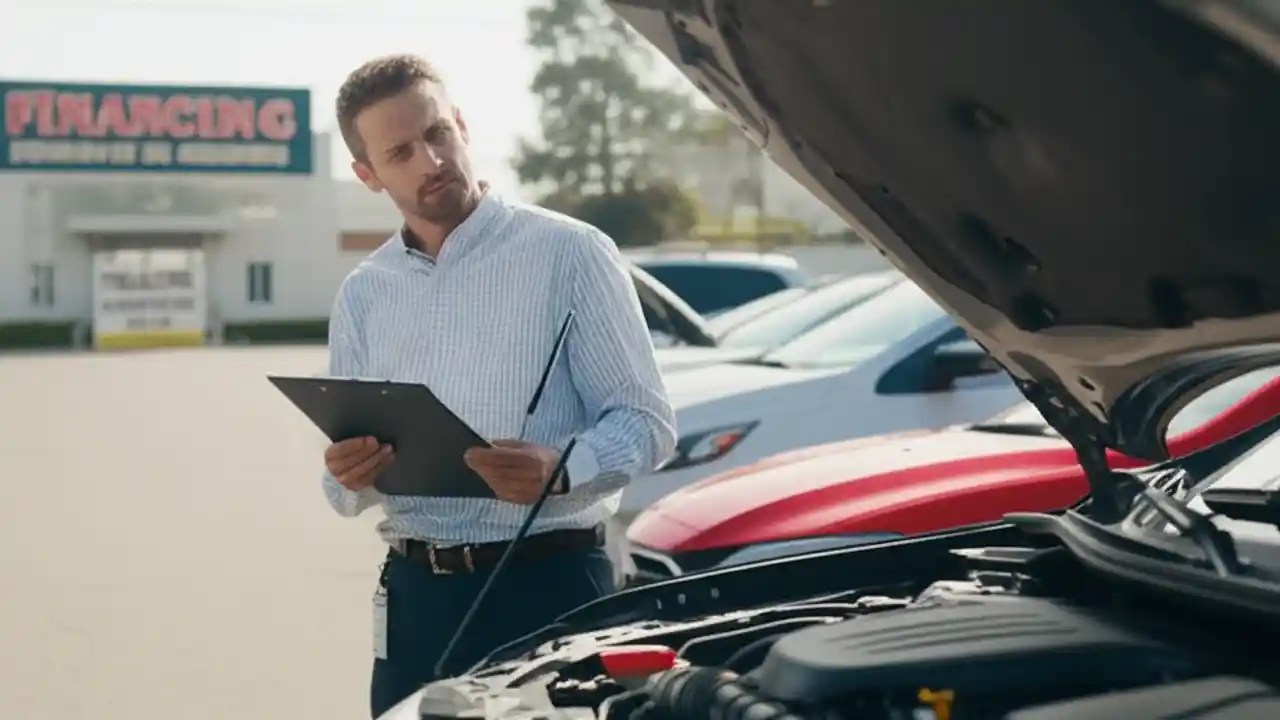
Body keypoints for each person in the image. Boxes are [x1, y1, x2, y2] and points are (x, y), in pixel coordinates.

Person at [321, 54, 677, 718]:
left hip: (552, 586)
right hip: (414, 601)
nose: (430, 161)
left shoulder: (572, 254)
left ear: (460, 123)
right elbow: (343, 487)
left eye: (437, 134)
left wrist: (564, 469)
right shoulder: (364, 295)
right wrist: (347, 472)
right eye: (401, 152)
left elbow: (647, 422)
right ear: (368, 175)